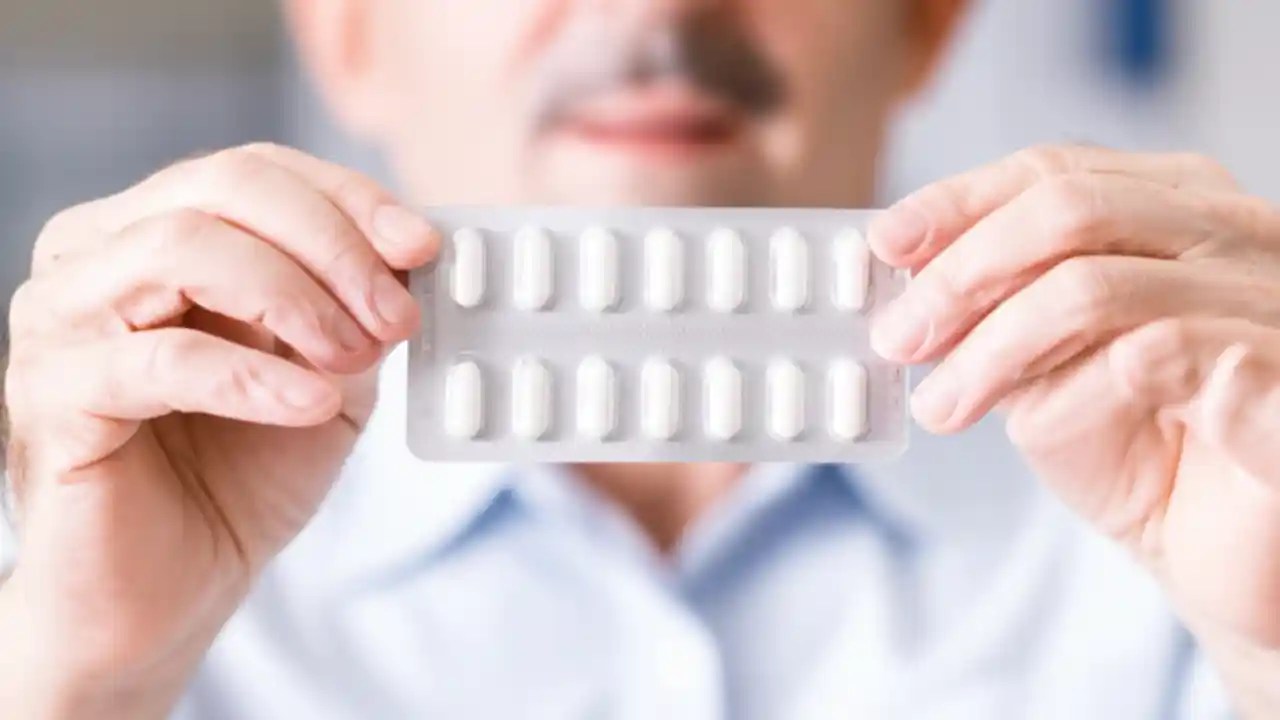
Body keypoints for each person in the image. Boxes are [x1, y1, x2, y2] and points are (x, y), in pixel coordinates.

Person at [2, 0, 1279, 717]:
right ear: (346, 37)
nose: (655, 6)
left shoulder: (1198, 525)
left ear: (923, 25)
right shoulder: (89, 576)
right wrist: (79, 683)